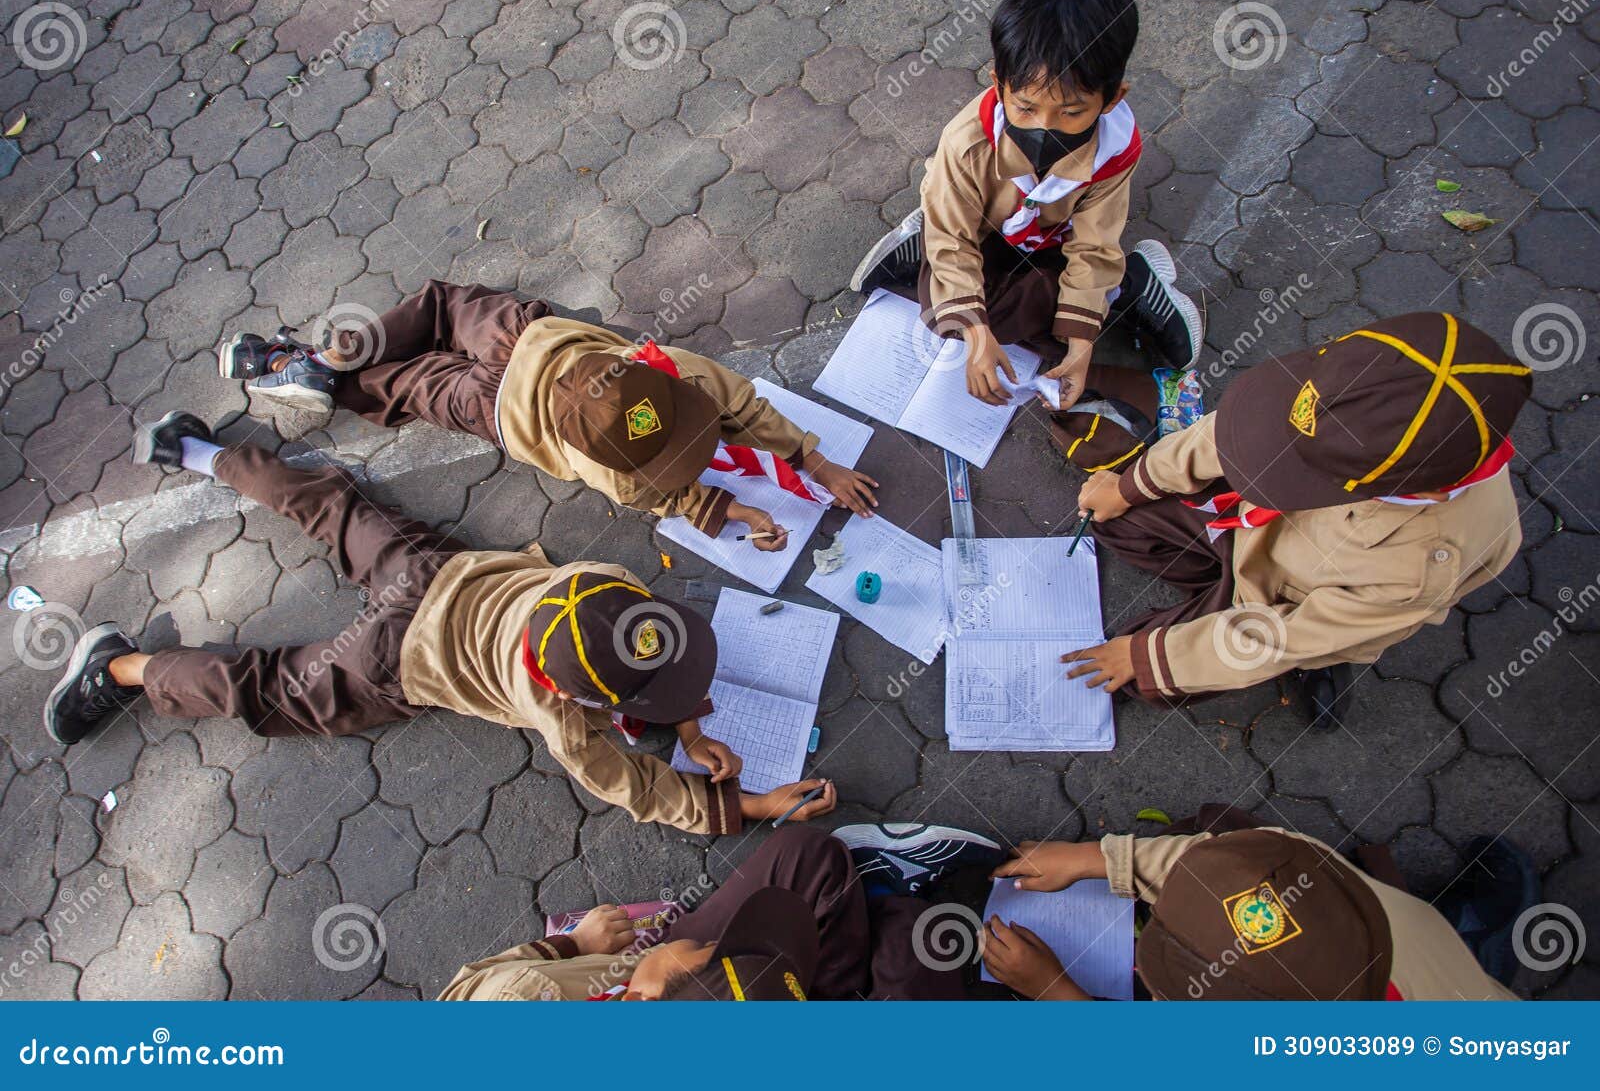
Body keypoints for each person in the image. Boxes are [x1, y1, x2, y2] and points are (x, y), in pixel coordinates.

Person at [43, 412, 835, 835]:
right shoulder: (557, 715)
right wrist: (744, 807)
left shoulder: (602, 584)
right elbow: (634, 787)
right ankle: (117, 668)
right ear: (577, 699)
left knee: (331, 505)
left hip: (431, 573)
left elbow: (648, 680)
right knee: (272, 688)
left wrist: (692, 728)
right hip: (397, 661)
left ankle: (192, 449)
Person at [1059, 311, 1532, 728]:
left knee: (1144, 672)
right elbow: (1225, 433)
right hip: (1256, 532)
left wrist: (1146, 657)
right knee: (1114, 517)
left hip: (1291, 600)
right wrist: (1130, 486)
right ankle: (1217, 587)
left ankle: (1310, 657)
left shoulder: (1417, 569)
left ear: (1423, 493)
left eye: (1318, 473)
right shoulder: (1366, 391)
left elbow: (1286, 637)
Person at [218, 280, 878, 554]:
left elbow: (684, 478)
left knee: (440, 307)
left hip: (522, 341)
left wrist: (804, 475)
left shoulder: (661, 371)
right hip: (492, 408)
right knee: (405, 386)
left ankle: (325, 359)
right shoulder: (632, 446)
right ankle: (332, 375)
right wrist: (800, 468)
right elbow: (685, 481)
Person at [849, 0, 1204, 408]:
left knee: (1062, 333)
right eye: (1025, 107)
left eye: (1072, 112)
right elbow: (955, 243)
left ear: (1112, 98)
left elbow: (1092, 246)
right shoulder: (967, 142)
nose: (1045, 127)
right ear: (999, 84)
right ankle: (931, 227)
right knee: (954, 315)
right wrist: (977, 332)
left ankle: (1130, 282)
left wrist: (1080, 345)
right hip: (993, 231)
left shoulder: (1115, 149)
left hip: (1053, 245)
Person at [439, 823, 1003, 1001]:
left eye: (710, 949)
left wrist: (575, 946)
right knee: (918, 948)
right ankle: (873, 910)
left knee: (806, 857)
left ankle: (865, 911)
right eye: (711, 949)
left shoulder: (511, 1003)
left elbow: (472, 984)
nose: (713, 942)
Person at [985, 816, 1525, 1000]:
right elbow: (1233, 867)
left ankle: (1480, 943)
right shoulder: (1338, 890)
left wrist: (1053, 991)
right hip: (1443, 980)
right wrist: (1095, 859)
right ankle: (1477, 942)